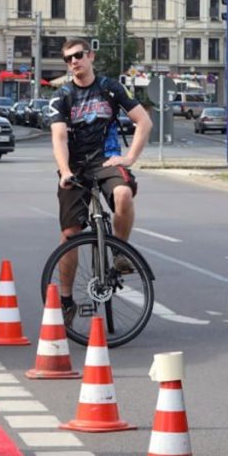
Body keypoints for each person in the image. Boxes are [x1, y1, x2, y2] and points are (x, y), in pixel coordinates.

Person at [45, 37, 152, 326]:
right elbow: (59, 137)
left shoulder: (110, 88)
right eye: (68, 59)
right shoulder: (62, 96)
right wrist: (65, 170)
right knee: (69, 234)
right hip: (76, 167)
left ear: (90, 55)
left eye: (78, 55)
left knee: (123, 195)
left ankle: (119, 251)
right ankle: (66, 300)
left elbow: (144, 121)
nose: (74, 62)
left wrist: (129, 158)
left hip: (107, 160)